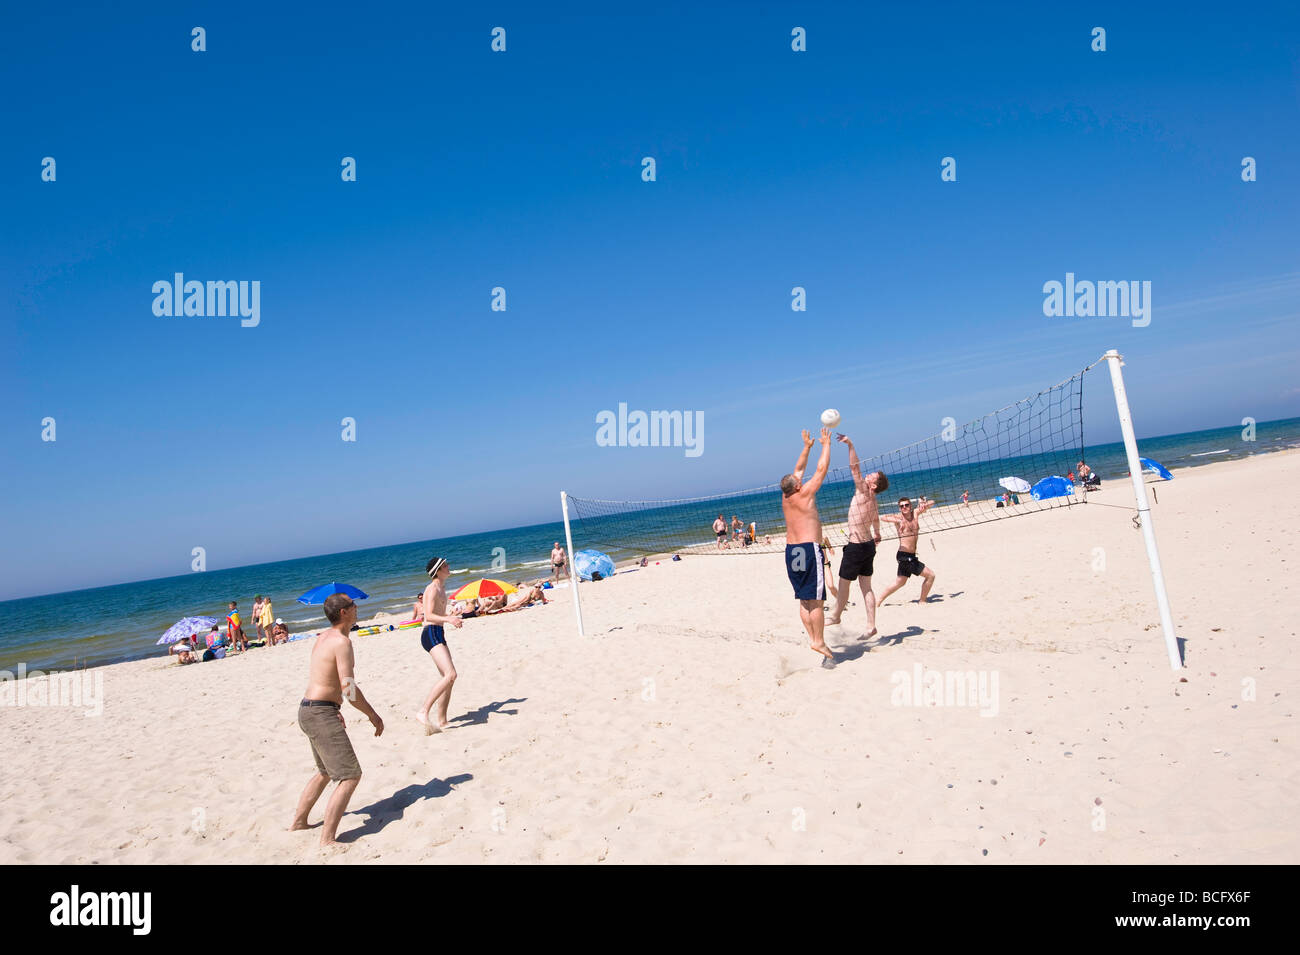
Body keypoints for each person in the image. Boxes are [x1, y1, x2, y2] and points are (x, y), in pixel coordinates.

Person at [289, 593, 384, 848]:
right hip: (319, 712)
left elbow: (325, 679)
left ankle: (299, 822)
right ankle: (327, 840)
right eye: (353, 605)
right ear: (344, 612)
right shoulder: (341, 642)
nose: (357, 607)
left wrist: (333, 706)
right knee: (350, 776)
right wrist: (372, 715)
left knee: (324, 772)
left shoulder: (323, 637)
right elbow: (348, 688)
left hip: (310, 709)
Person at [780, 428, 836, 667]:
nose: (801, 479)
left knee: (804, 600)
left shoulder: (786, 496)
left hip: (792, 551)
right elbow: (821, 470)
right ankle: (819, 640)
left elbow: (798, 471)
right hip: (809, 549)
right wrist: (826, 445)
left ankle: (814, 639)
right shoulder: (807, 493)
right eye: (800, 481)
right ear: (799, 487)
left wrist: (806, 447)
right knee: (816, 601)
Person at [827, 434, 887, 639]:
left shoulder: (863, 490)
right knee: (866, 586)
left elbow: (854, 468)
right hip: (868, 545)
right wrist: (877, 534)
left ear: (874, 485)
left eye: (873, 476)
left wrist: (851, 445)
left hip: (856, 546)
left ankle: (835, 615)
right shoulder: (874, 500)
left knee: (844, 583)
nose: (868, 475)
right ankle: (871, 626)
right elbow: (876, 519)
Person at [415, 557, 463, 734]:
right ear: (438, 570)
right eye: (445, 565)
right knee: (451, 674)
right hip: (430, 633)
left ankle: (442, 721)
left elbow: (438, 613)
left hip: (438, 633)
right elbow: (428, 615)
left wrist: (451, 613)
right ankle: (423, 711)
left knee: (447, 679)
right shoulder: (432, 589)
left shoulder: (442, 588)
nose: (449, 567)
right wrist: (448, 619)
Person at [876, 497, 938, 607]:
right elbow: (883, 517)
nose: (904, 507)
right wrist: (898, 521)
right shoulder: (899, 518)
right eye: (901, 506)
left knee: (900, 582)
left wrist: (924, 504)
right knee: (930, 576)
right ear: (899, 508)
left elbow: (933, 502)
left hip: (910, 555)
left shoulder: (915, 513)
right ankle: (922, 601)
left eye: (906, 505)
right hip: (905, 556)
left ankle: (878, 600)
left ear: (910, 506)